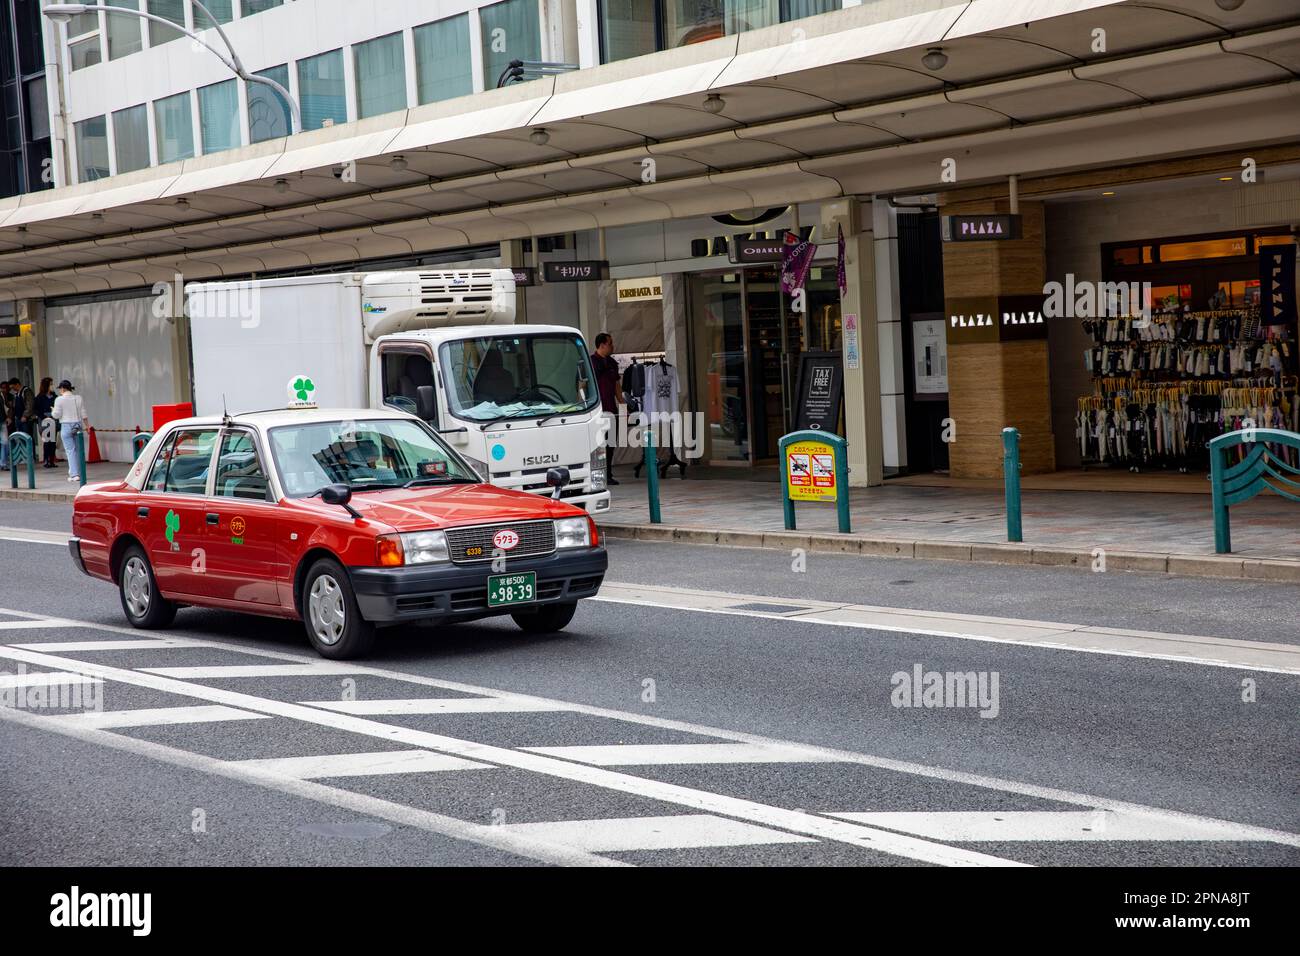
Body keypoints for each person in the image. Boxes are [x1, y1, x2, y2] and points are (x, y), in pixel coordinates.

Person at [589, 332, 623, 485]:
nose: (612, 346)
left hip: (611, 409)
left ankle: (608, 473)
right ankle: (597, 473)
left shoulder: (612, 363)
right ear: (602, 345)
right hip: (597, 410)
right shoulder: (591, 362)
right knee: (597, 443)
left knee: (611, 442)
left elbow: (616, 385)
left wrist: (622, 404)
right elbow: (582, 385)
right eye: (610, 343)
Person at [52, 379, 89, 482]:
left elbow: (56, 415)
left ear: (63, 388)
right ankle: (80, 472)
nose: (60, 390)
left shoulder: (59, 399)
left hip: (66, 425)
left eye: (60, 389)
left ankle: (74, 474)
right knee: (78, 450)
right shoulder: (78, 398)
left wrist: (53, 411)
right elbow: (83, 413)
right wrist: (87, 426)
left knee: (70, 451)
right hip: (78, 425)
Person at [32, 378, 57, 467]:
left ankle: (52, 460)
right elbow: (35, 409)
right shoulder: (39, 397)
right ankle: (46, 460)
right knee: (47, 441)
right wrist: (43, 416)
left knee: (53, 441)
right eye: (51, 384)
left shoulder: (54, 396)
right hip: (44, 421)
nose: (52, 386)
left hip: (53, 419)